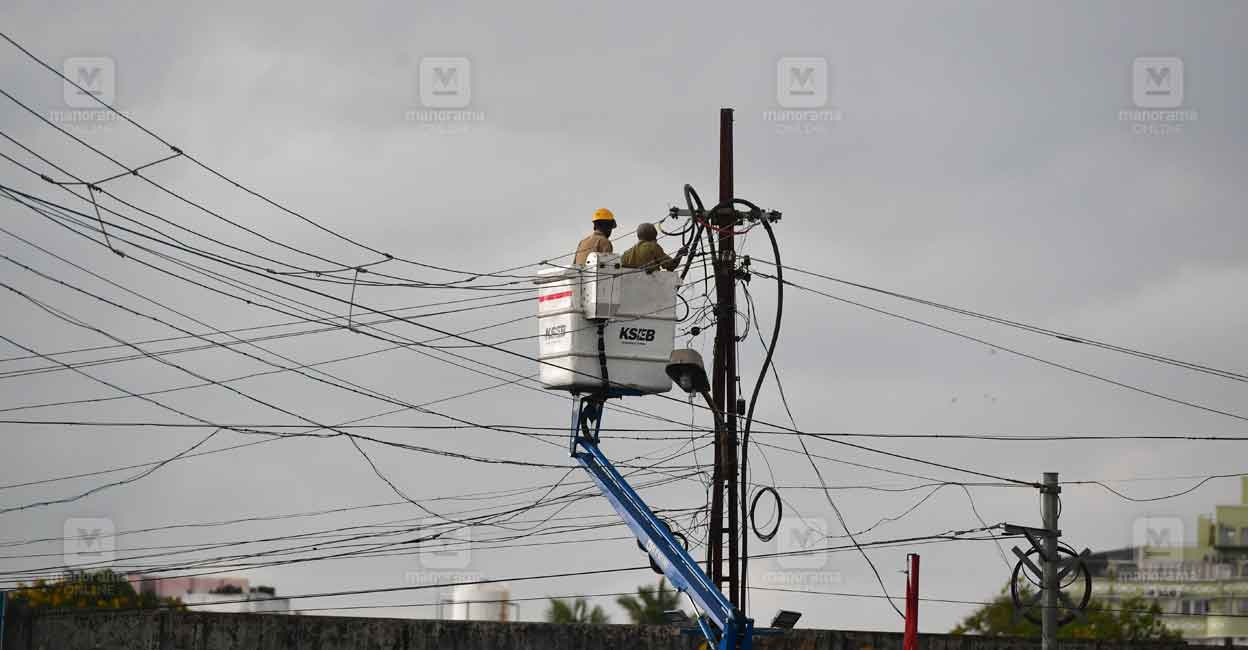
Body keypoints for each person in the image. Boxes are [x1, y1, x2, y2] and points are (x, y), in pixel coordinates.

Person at [620, 222, 685, 272]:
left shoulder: (626, 254)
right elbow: (670, 266)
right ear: (653, 235)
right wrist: (680, 254)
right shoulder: (653, 247)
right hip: (650, 286)